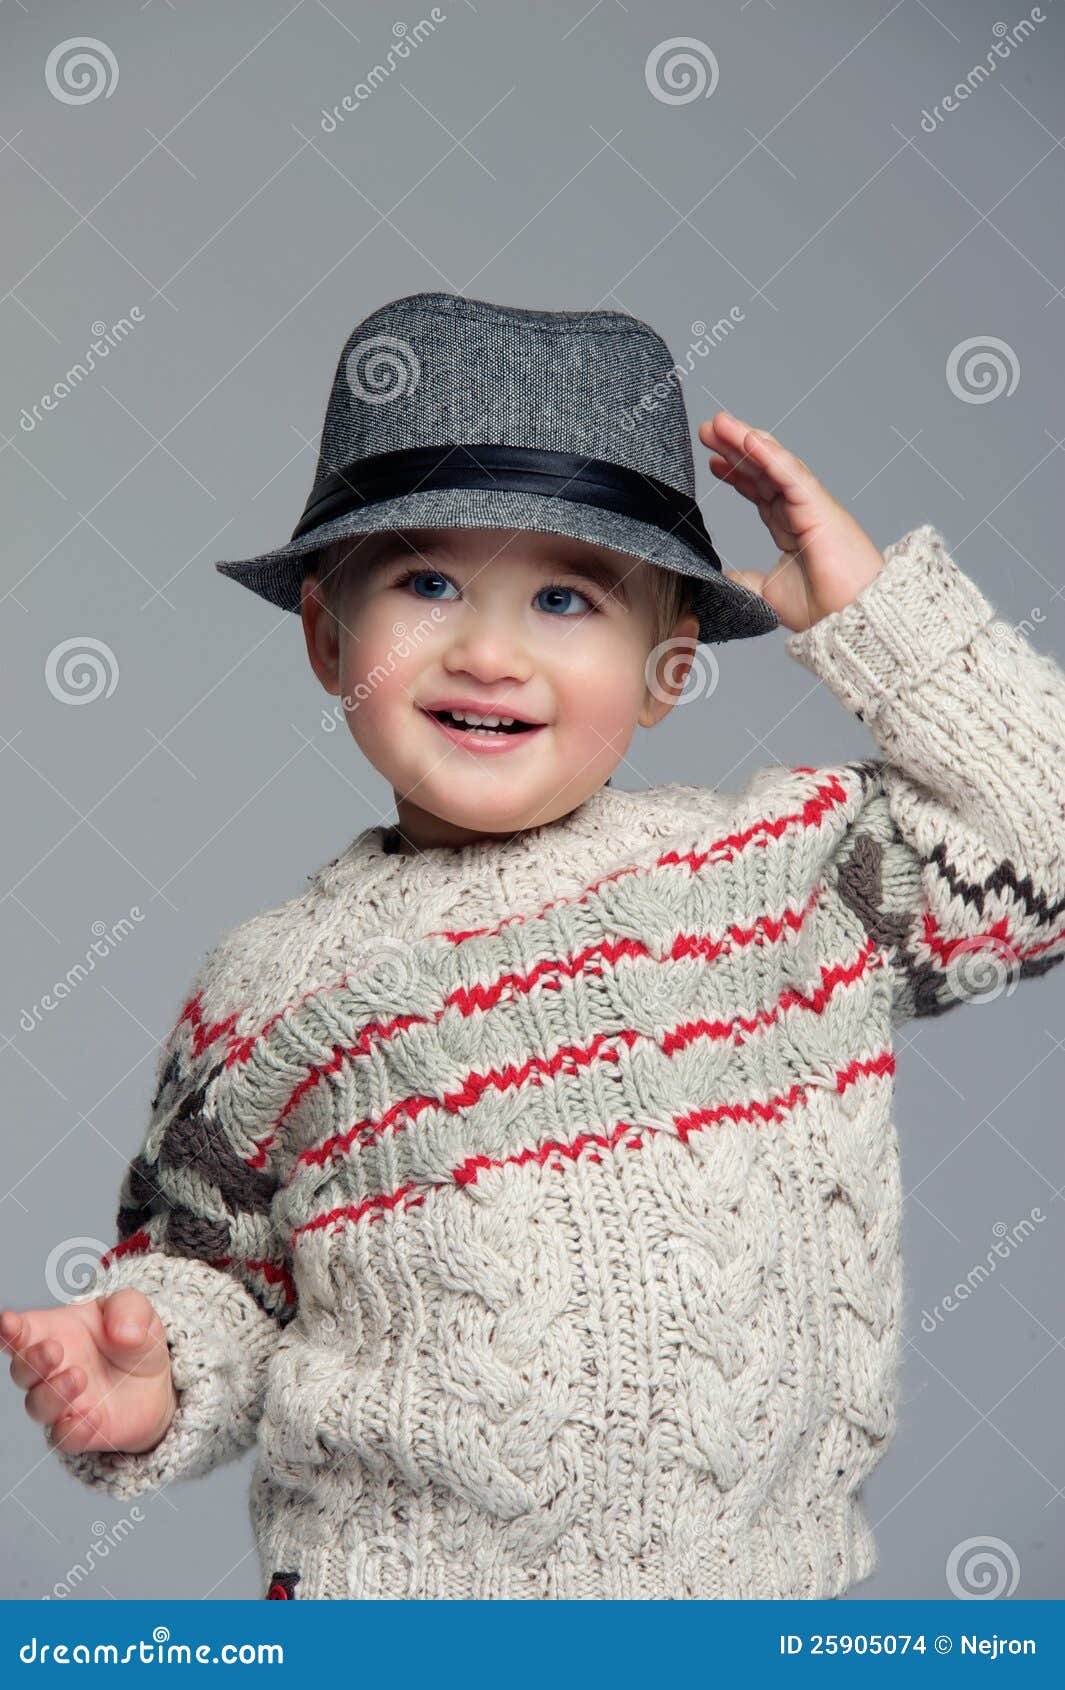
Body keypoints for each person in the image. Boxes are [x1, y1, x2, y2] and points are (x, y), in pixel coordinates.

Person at [4, 292, 1064, 1601]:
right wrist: (159, 1366)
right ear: (331, 639)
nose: (490, 648)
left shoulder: (785, 885)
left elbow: (1046, 836)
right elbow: (226, 1280)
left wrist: (872, 612)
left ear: (668, 669)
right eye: (428, 581)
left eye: (566, 595)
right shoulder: (275, 990)